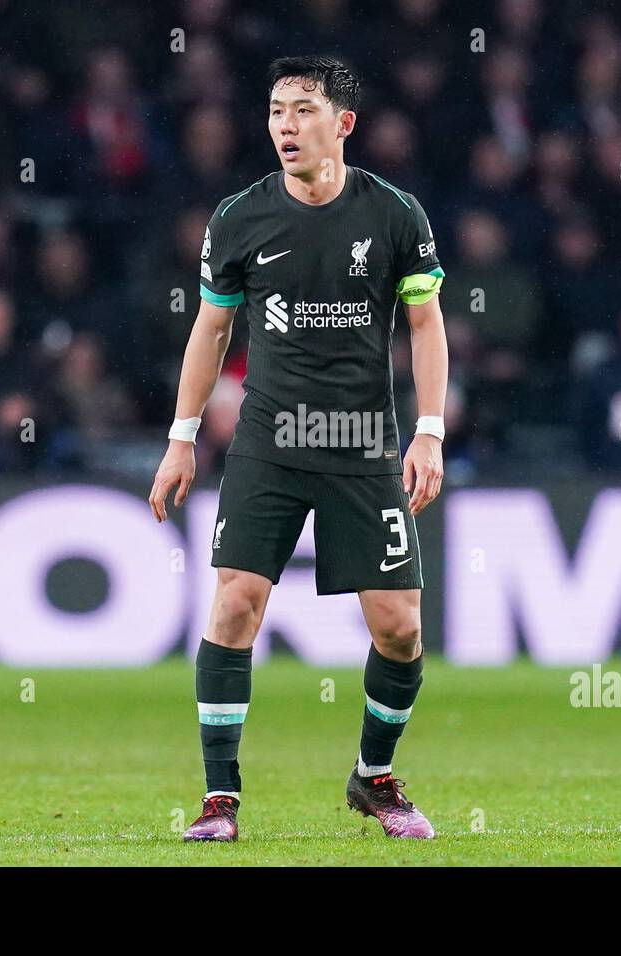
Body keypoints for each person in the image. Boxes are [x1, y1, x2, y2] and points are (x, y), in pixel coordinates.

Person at [148, 56, 448, 842]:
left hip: (361, 444)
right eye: (277, 110)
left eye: (303, 109)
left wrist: (429, 428)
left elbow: (424, 323)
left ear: (342, 124)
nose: (285, 124)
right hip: (270, 440)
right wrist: (182, 440)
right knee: (237, 600)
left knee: (400, 628)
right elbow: (210, 329)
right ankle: (220, 800)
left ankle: (373, 777)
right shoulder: (239, 217)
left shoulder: (395, 215)